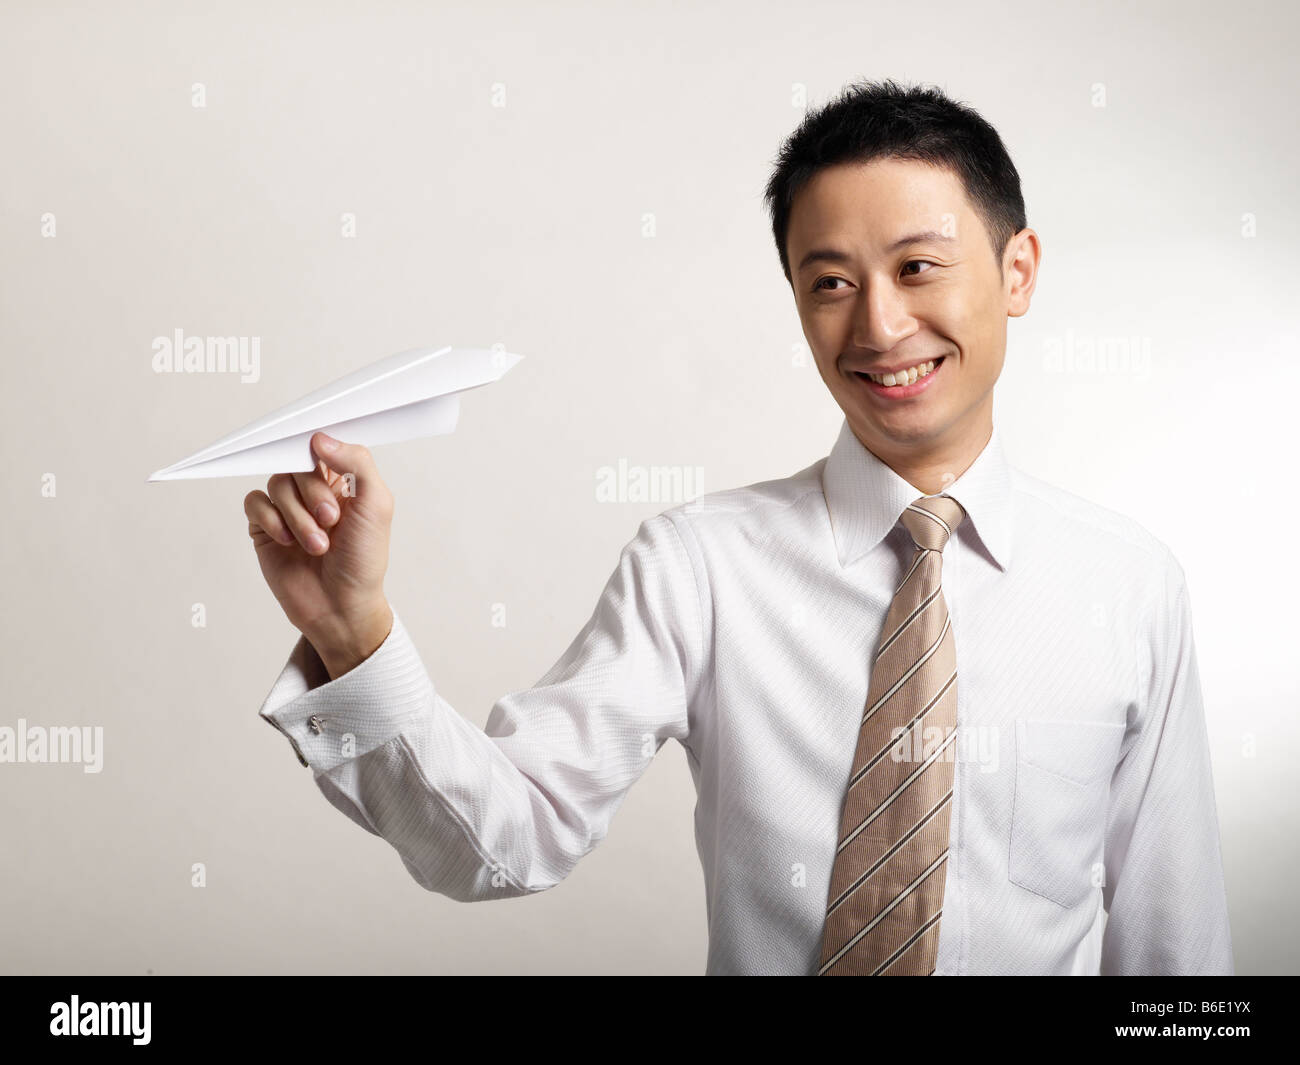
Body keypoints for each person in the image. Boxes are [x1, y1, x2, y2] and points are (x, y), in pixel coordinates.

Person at [243, 79, 1233, 976]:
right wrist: (353, 629)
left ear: (1017, 272)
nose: (880, 327)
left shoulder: (1128, 587)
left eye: (919, 267)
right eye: (831, 282)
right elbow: (503, 839)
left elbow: (1173, 946)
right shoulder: (699, 567)